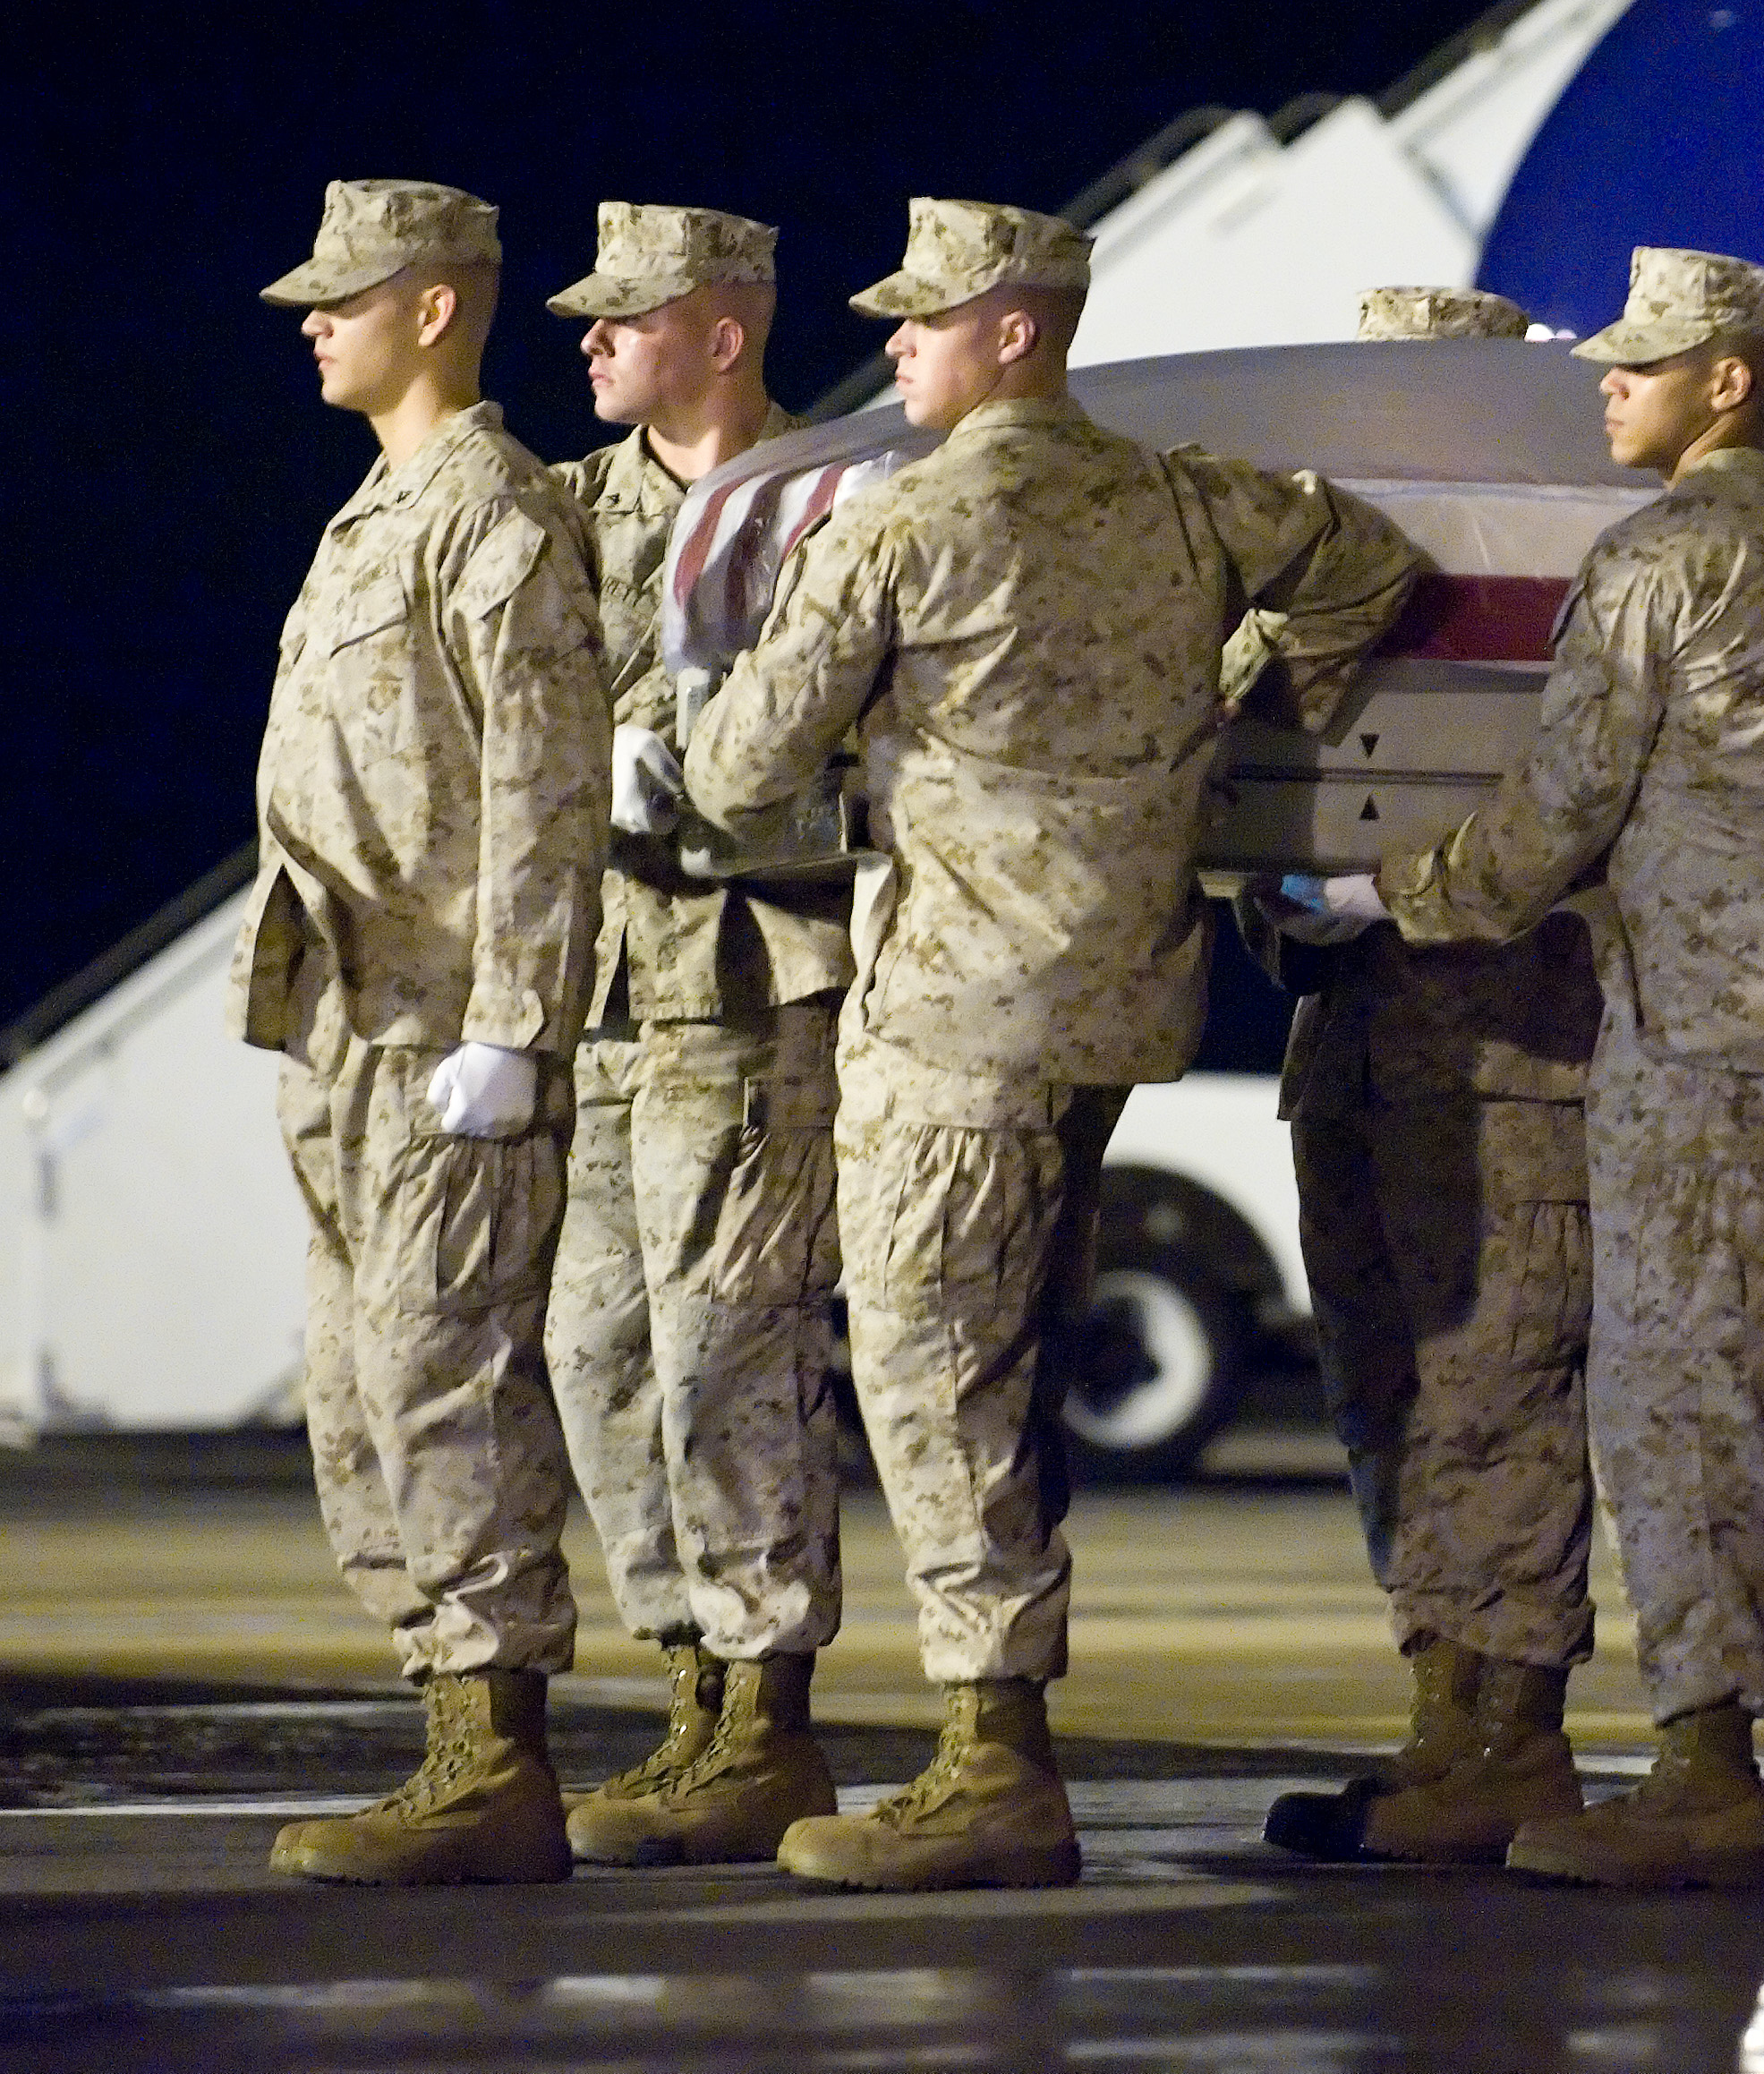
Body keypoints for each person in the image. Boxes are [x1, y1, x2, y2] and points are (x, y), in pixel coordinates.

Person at [686, 199, 1423, 1890]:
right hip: (1119, 1001)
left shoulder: (904, 522)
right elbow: (1366, 564)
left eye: (926, 321)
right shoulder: (1178, 497)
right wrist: (1223, 715)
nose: (896, 347)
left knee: (936, 1372)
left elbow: (735, 772)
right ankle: (994, 1738)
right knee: (1008, 1364)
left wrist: (837, 741)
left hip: (955, 1011)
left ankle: (994, 1758)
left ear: (1016, 331)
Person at [1312, 246, 1764, 1888]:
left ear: (1727, 382)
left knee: (1679, 1394)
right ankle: (1692, 1746)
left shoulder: (1663, 561)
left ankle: (1707, 1773)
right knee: (1719, 1384)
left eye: (1641, 364)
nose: (1607, 383)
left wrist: (1380, 892)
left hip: (1704, 1025)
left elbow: (1557, 814)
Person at [238, 180, 609, 1884]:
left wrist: (521, 1022)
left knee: (441, 1376)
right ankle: (446, 1724)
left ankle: (497, 1755)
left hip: (449, 1025)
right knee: (353, 1396)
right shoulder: (374, 512)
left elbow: (547, 783)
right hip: (348, 1026)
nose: (315, 320)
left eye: (347, 296)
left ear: (438, 309)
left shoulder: (496, 510)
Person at [1255, 286, 1609, 1869]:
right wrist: (1278, 898)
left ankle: (1514, 1735)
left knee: (1499, 1398)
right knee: (1386, 1400)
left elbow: (1560, 819)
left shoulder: (1554, 576)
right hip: (1353, 1051)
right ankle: (1440, 1723)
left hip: (1509, 1053)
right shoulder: (1347, 587)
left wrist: (1376, 894)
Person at [538, 202, 853, 1868]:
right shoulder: (569, 512)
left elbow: (888, 757)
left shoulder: (832, 502)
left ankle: (767, 1712)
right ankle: (686, 1683)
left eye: (624, 318)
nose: (588, 341)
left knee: (732, 1352)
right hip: (600, 996)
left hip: (748, 981)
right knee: (595, 1359)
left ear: (722, 335)